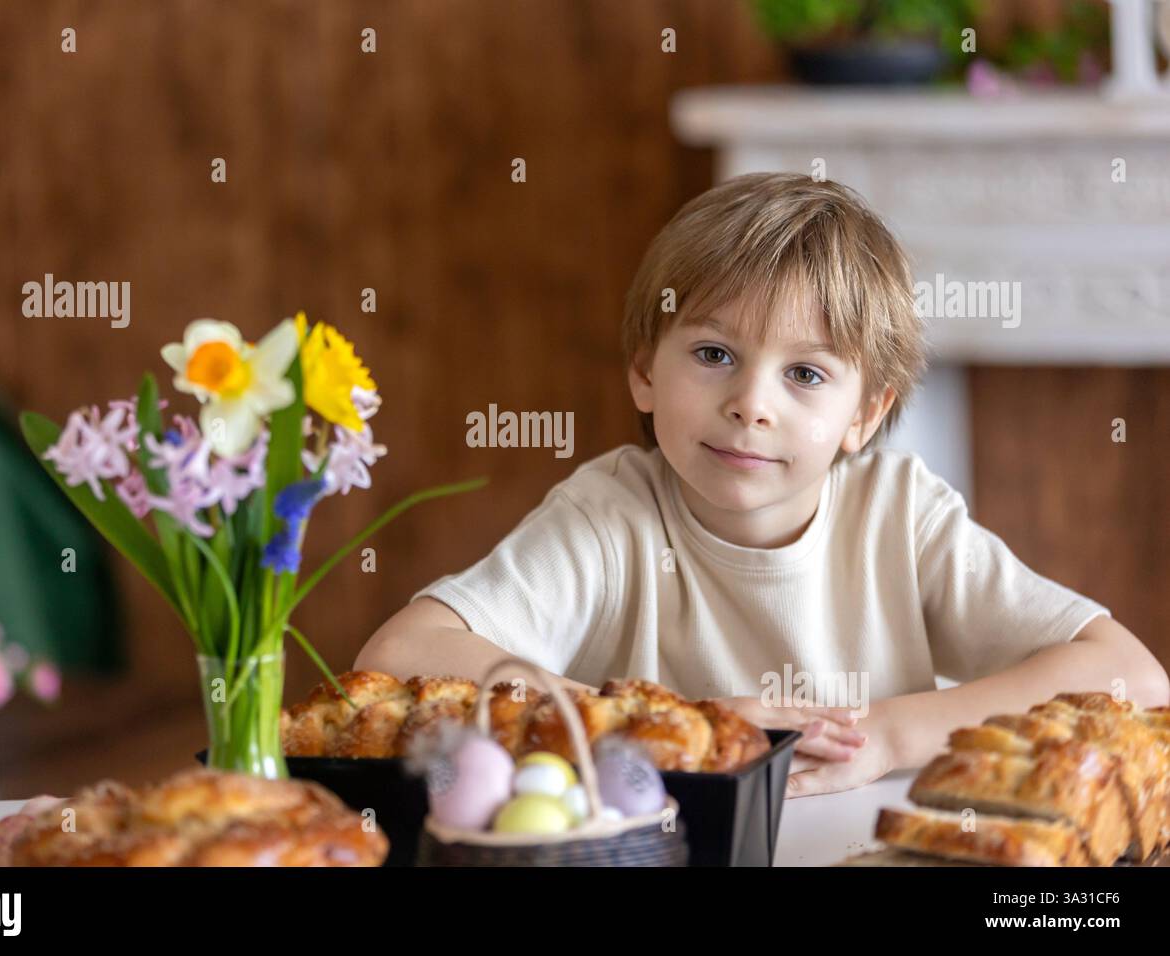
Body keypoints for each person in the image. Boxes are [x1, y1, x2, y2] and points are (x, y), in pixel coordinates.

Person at [355, 172, 1169, 797]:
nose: (750, 405)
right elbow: (400, 654)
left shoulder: (901, 516)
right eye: (714, 355)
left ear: (866, 411)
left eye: (807, 373)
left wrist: (888, 736)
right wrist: (675, 727)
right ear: (644, 370)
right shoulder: (610, 517)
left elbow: (1129, 673)